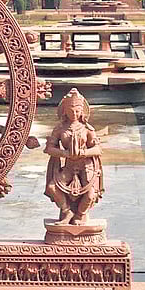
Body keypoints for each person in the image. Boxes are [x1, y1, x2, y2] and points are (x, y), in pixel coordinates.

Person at [44, 88, 104, 225]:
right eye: (71, 111)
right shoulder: (60, 129)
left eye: (77, 111)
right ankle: (66, 211)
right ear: (65, 111)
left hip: (85, 166)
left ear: (82, 111)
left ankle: (80, 214)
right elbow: (49, 148)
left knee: (90, 194)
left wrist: (84, 153)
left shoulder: (87, 129)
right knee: (52, 188)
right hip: (69, 166)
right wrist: (63, 153)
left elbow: (98, 149)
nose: (74, 114)